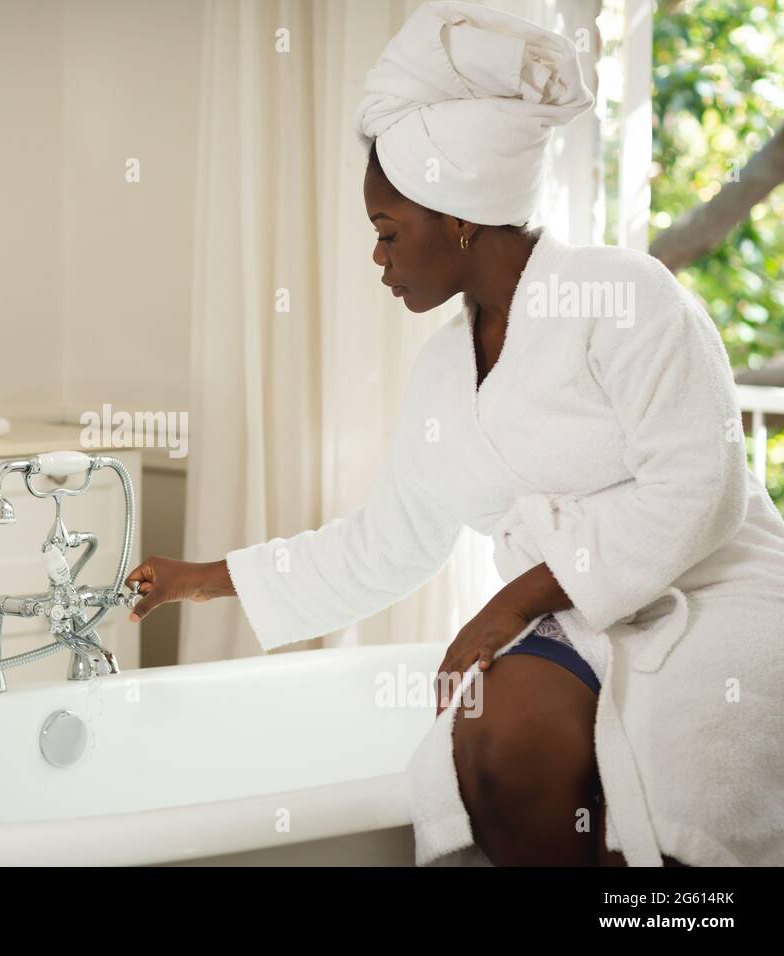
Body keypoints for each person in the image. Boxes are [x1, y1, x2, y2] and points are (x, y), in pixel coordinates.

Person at [122, 1, 784, 867]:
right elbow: (386, 544)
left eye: (389, 233)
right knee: (496, 743)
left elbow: (702, 491)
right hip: (585, 617)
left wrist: (512, 601)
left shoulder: (628, 298)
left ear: (460, 216)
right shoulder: (442, 372)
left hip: (716, 602)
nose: (379, 259)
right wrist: (200, 581)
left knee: (655, 791)